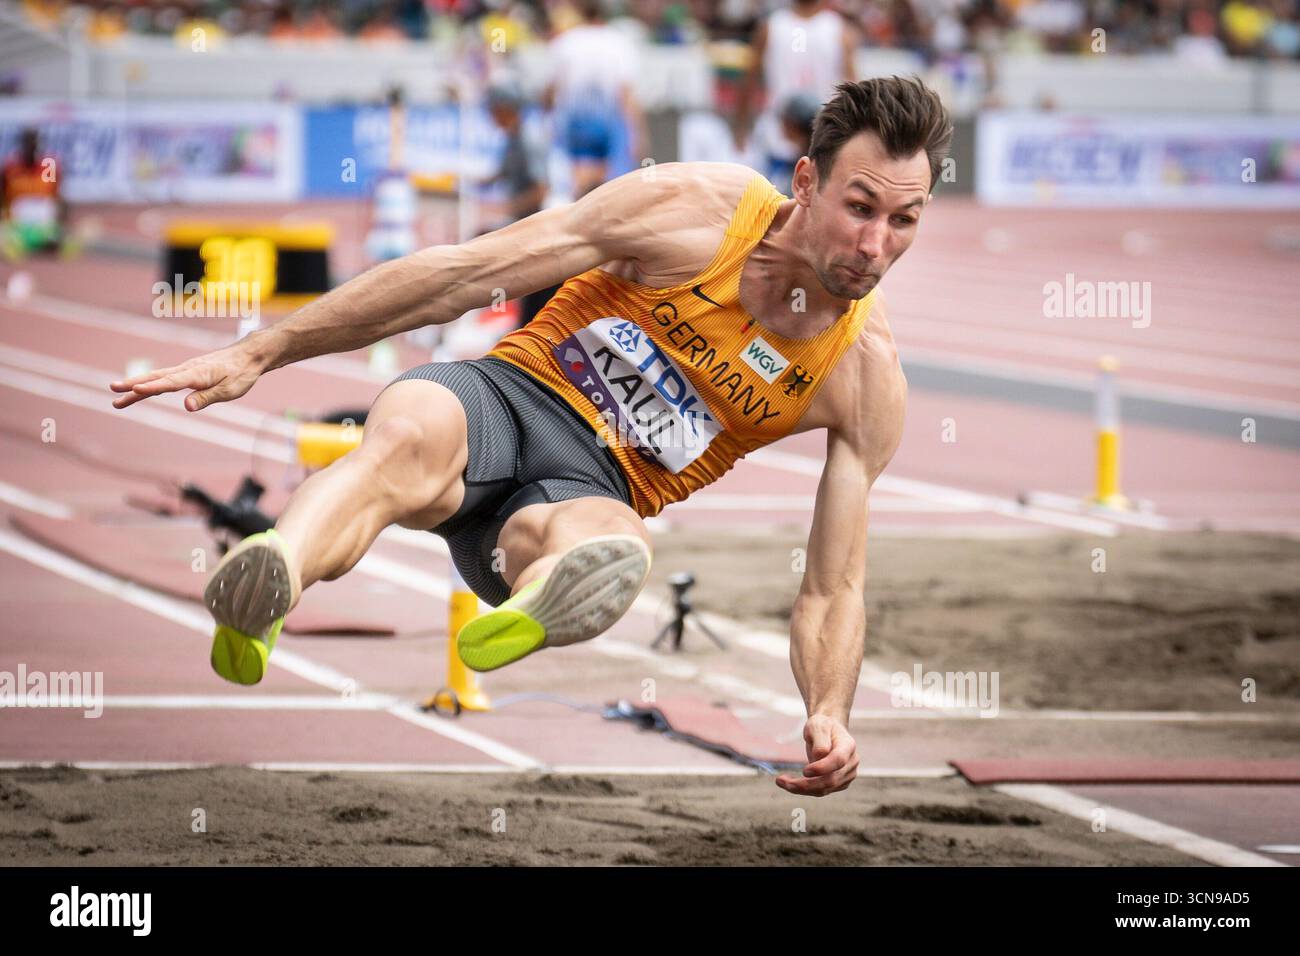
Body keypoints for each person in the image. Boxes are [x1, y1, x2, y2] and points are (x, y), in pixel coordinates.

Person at [111, 77, 952, 797]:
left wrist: (828, 713)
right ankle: (274, 577)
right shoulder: (697, 213)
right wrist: (265, 349)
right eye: (860, 207)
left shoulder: (862, 375)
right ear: (806, 181)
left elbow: (833, 588)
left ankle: (540, 595)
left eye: (904, 220)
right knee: (401, 445)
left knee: (608, 544)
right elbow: (461, 276)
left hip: (589, 489)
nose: (876, 246)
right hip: (506, 397)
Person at [735, 0, 857, 191]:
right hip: (783, 137)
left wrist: (740, 128)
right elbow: (853, 89)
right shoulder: (839, 29)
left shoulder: (838, 29)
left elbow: (748, 81)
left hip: (815, 138)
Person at [544, 0, 649, 198]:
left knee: (571, 190)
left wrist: (547, 124)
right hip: (606, 126)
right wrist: (638, 136)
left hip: (574, 125)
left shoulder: (565, 42)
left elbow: (550, 93)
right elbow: (626, 95)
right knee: (612, 192)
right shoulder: (620, 43)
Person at [1, 127, 66, 259]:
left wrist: (60, 219)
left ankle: (47, 240)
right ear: (22, 144)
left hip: (42, 219)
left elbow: (57, 198)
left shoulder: (49, 166)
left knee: (51, 223)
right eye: (28, 143)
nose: (31, 146)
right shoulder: (11, 167)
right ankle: (16, 242)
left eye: (34, 142)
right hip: (17, 219)